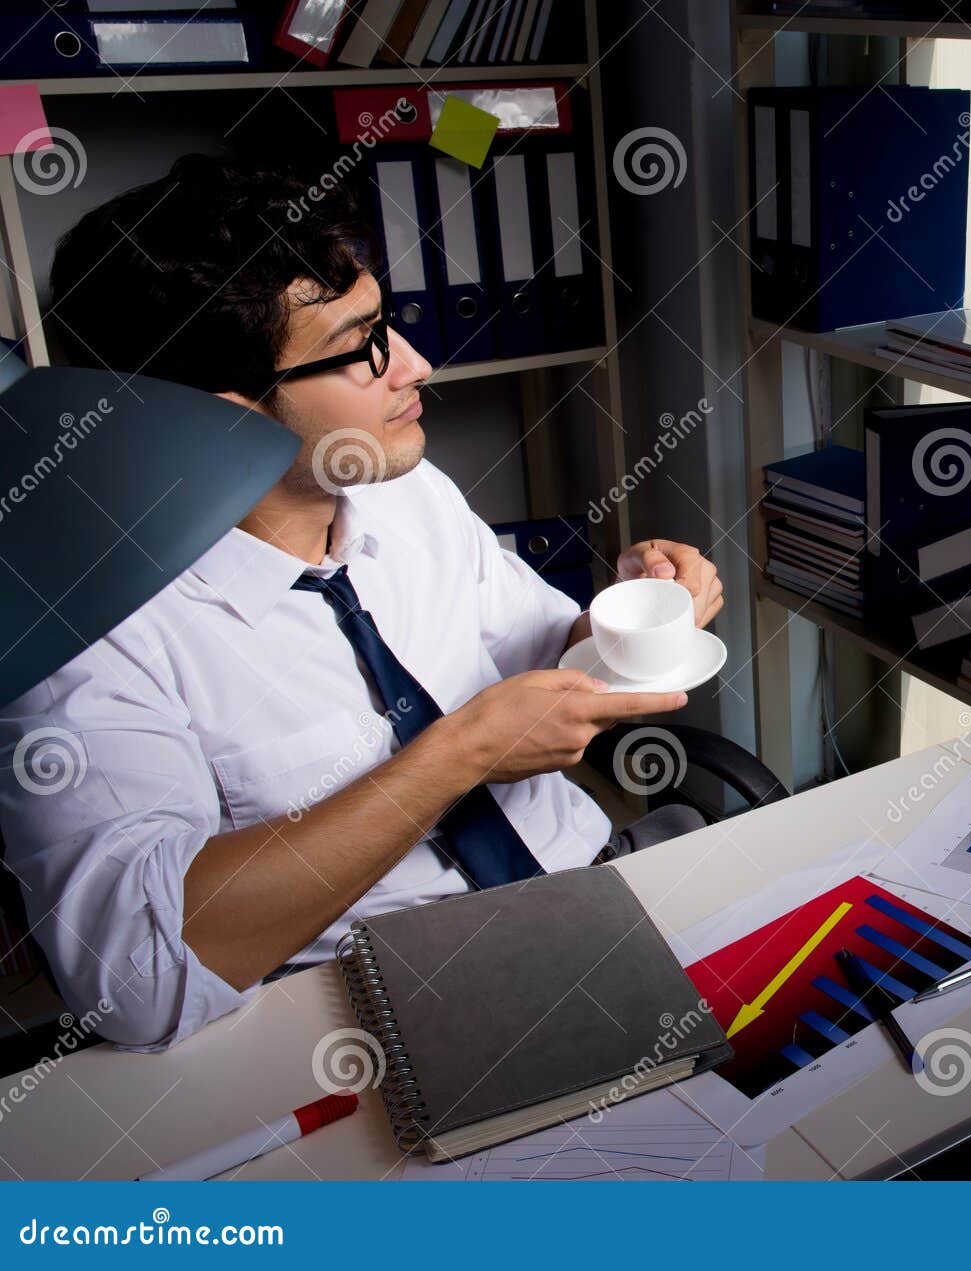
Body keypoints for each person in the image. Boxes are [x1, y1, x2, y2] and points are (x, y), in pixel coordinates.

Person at [0, 154, 721, 1050]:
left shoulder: (403, 490)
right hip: (377, 1004)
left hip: (588, 876)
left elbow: (545, 659)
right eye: (365, 345)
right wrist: (458, 755)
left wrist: (632, 618)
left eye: (391, 323)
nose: (416, 365)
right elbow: (135, 981)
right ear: (227, 415)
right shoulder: (87, 631)